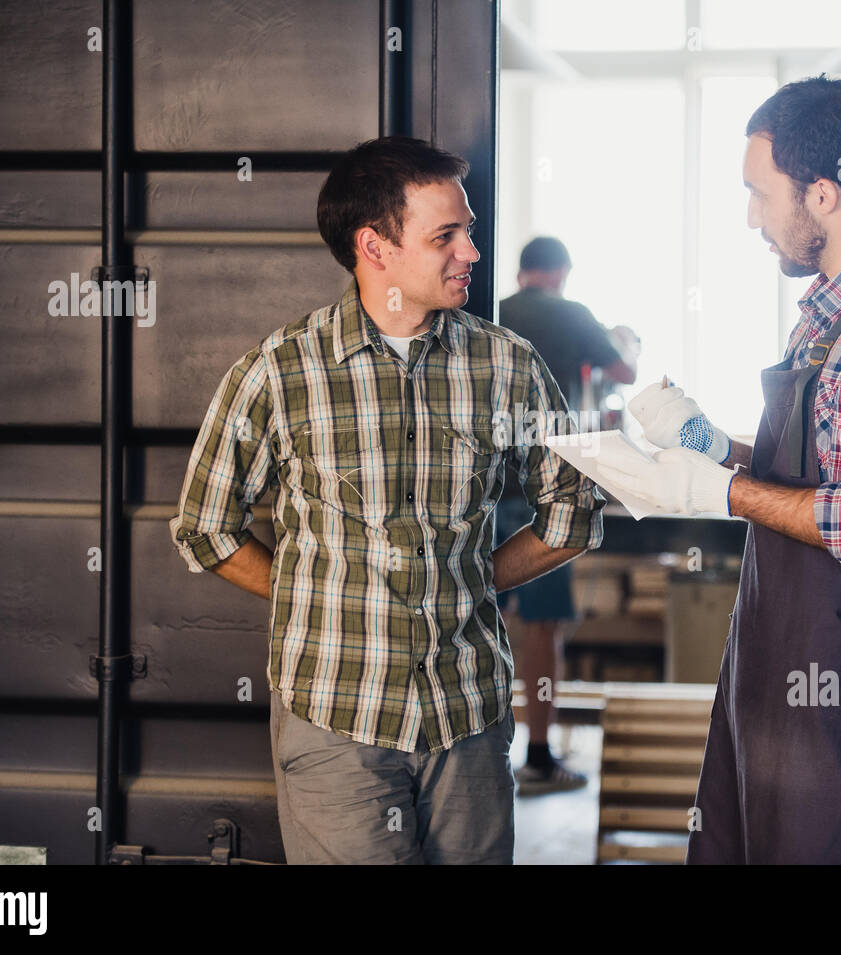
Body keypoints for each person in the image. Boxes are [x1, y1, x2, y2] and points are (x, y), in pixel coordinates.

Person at [168, 137, 606, 864]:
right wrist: (317, 592)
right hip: (335, 721)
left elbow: (571, 514)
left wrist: (470, 578)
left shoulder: (509, 366)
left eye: (467, 228)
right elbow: (204, 527)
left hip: (468, 719)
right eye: (446, 235)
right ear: (374, 246)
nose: (471, 249)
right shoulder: (280, 370)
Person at [596, 76, 841, 864]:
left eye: (757, 192)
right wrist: (713, 447)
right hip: (776, 668)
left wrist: (722, 492)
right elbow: (829, 472)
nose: (750, 216)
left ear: (824, 193)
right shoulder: (832, 312)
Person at [495, 237, 637, 792]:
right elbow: (622, 372)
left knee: (475, 615)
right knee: (542, 627)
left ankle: (481, 753)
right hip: (544, 494)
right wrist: (624, 343)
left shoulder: (490, 309)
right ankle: (537, 755)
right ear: (559, 273)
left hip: (482, 487)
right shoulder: (572, 314)